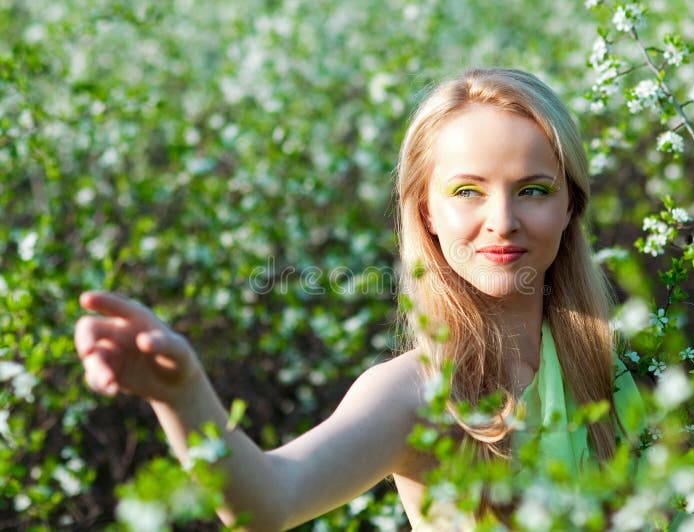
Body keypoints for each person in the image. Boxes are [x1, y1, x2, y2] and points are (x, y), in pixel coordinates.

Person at [74, 68, 642, 530]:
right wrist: (183, 395)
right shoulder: (420, 395)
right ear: (426, 212)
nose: (502, 220)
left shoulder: (613, 368)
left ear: (570, 206)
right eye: (467, 191)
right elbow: (270, 502)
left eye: (533, 190)